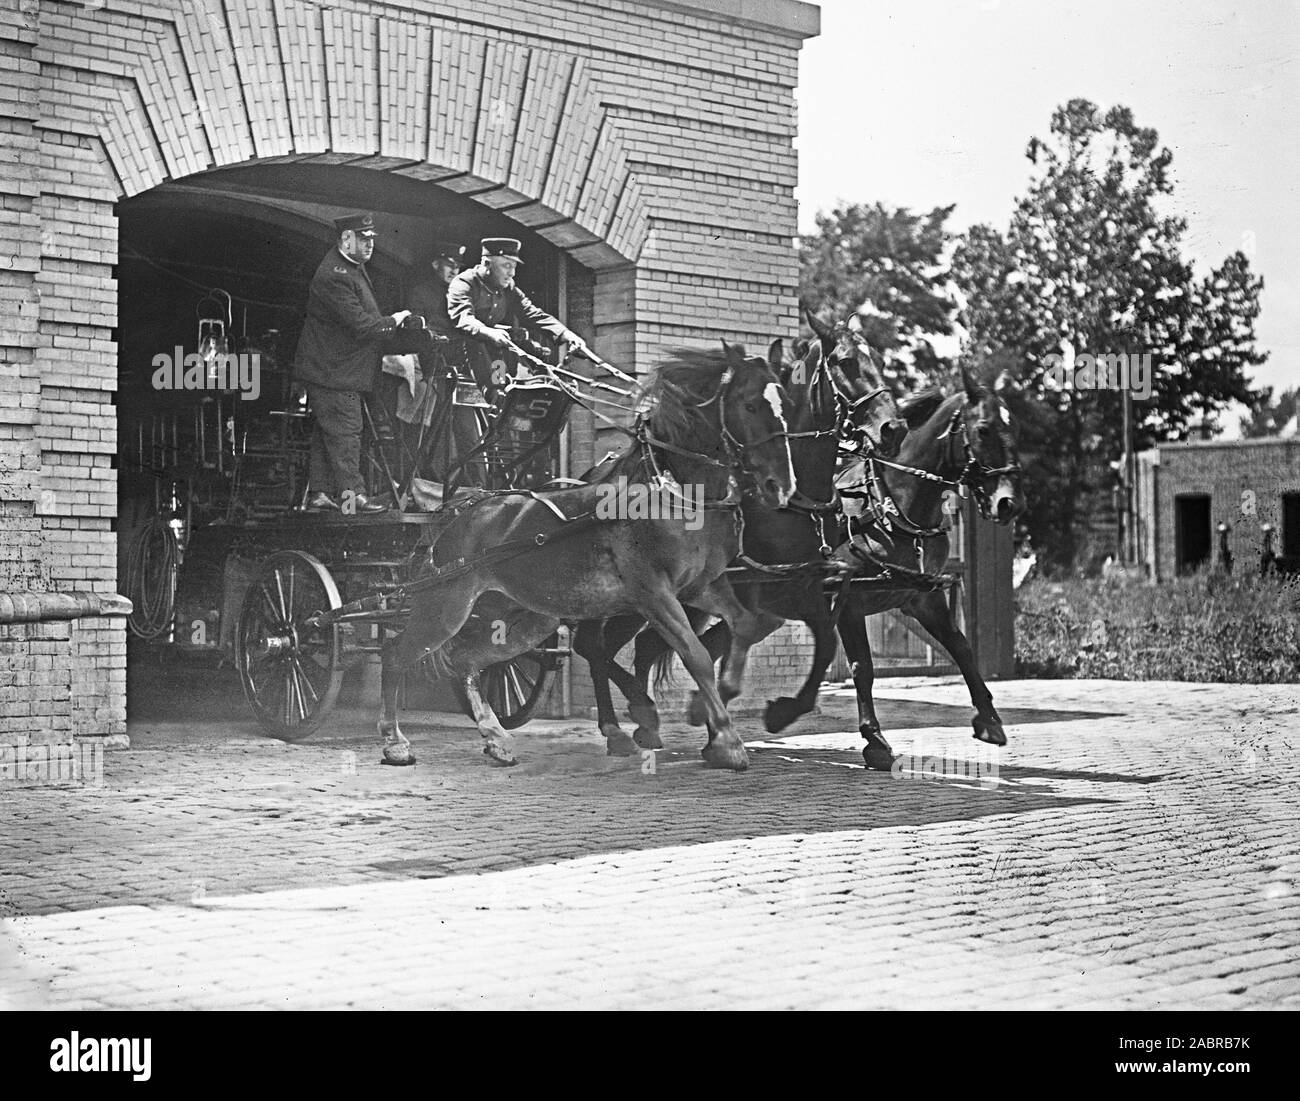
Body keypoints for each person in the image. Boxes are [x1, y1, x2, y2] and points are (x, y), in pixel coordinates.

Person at [294, 212, 408, 514]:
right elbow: (361, 326)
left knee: (328, 433)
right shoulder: (336, 275)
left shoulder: (349, 267)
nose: (370, 245)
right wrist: (394, 322)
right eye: (364, 239)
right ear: (347, 239)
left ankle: (318, 495)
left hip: (334, 372)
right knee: (346, 433)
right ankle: (351, 500)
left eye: (372, 239)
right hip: (334, 373)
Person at [447, 237, 588, 396]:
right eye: (507, 266)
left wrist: (566, 334)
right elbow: (463, 318)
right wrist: (488, 331)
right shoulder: (464, 283)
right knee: (479, 342)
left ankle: (500, 392)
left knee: (501, 359)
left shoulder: (507, 287)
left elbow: (531, 313)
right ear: (487, 264)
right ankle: (494, 393)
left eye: (514, 267)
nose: (512, 273)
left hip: (491, 355)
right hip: (457, 353)